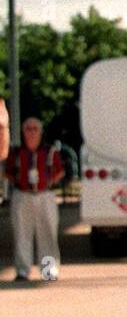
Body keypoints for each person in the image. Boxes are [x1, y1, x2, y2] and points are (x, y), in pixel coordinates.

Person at [6, 116, 64, 281]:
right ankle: (22, 270)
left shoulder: (50, 152)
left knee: (47, 234)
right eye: (28, 129)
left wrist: (48, 181)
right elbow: (9, 173)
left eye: (34, 129)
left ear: (41, 132)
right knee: (22, 234)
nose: (31, 132)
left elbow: (60, 171)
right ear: (23, 132)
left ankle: (48, 270)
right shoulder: (17, 152)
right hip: (22, 196)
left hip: (45, 196)